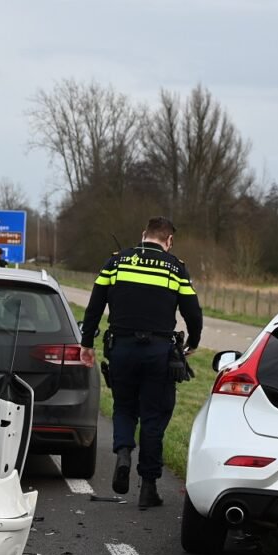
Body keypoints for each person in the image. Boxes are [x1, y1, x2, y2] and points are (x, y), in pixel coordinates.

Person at [78, 216, 202, 509]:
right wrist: (193, 343)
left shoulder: (117, 262)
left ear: (143, 235)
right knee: (153, 417)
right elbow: (193, 313)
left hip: (121, 348)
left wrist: (87, 343)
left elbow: (95, 305)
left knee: (123, 407)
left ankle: (122, 454)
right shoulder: (175, 268)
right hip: (159, 353)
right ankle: (148, 486)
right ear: (169, 241)